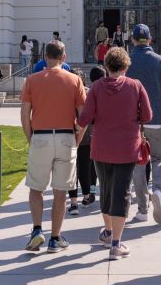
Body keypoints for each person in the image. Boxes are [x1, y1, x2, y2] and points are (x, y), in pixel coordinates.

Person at [78, 47, 152, 260]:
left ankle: (109, 232)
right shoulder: (135, 86)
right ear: (126, 66)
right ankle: (116, 243)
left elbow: (85, 118)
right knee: (122, 193)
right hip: (127, 147)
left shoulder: (97, 88)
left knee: (106, 190)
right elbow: (147, 115)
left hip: (101, 147)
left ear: (106, 66)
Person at [19, 40, 87, 253]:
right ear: (63, 57)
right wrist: (78, 137)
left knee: (36, 188)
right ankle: (55, 238)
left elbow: (24, 115)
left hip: (41, 136)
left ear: (44, 57)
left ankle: (37, 230)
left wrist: (31, 138)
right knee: (60, 191)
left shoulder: (32, 80)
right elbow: (83, 116)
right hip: (66, 136)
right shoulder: (75, 80)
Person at [126, 24, 161, 225]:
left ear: (132, 40)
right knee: (159, 159)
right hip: (157, 119)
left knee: (138, 164)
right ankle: (158, 189)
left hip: (133, 123)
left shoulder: (127, 62)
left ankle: (142, 209)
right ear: (149, 40)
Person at [68, 67, 104, 215]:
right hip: (88, 135)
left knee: (72, 171)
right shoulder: (90, 92)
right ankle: (88, 195)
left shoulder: (68, 93)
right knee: (86, 168)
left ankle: (74, 202)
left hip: (71, 134)